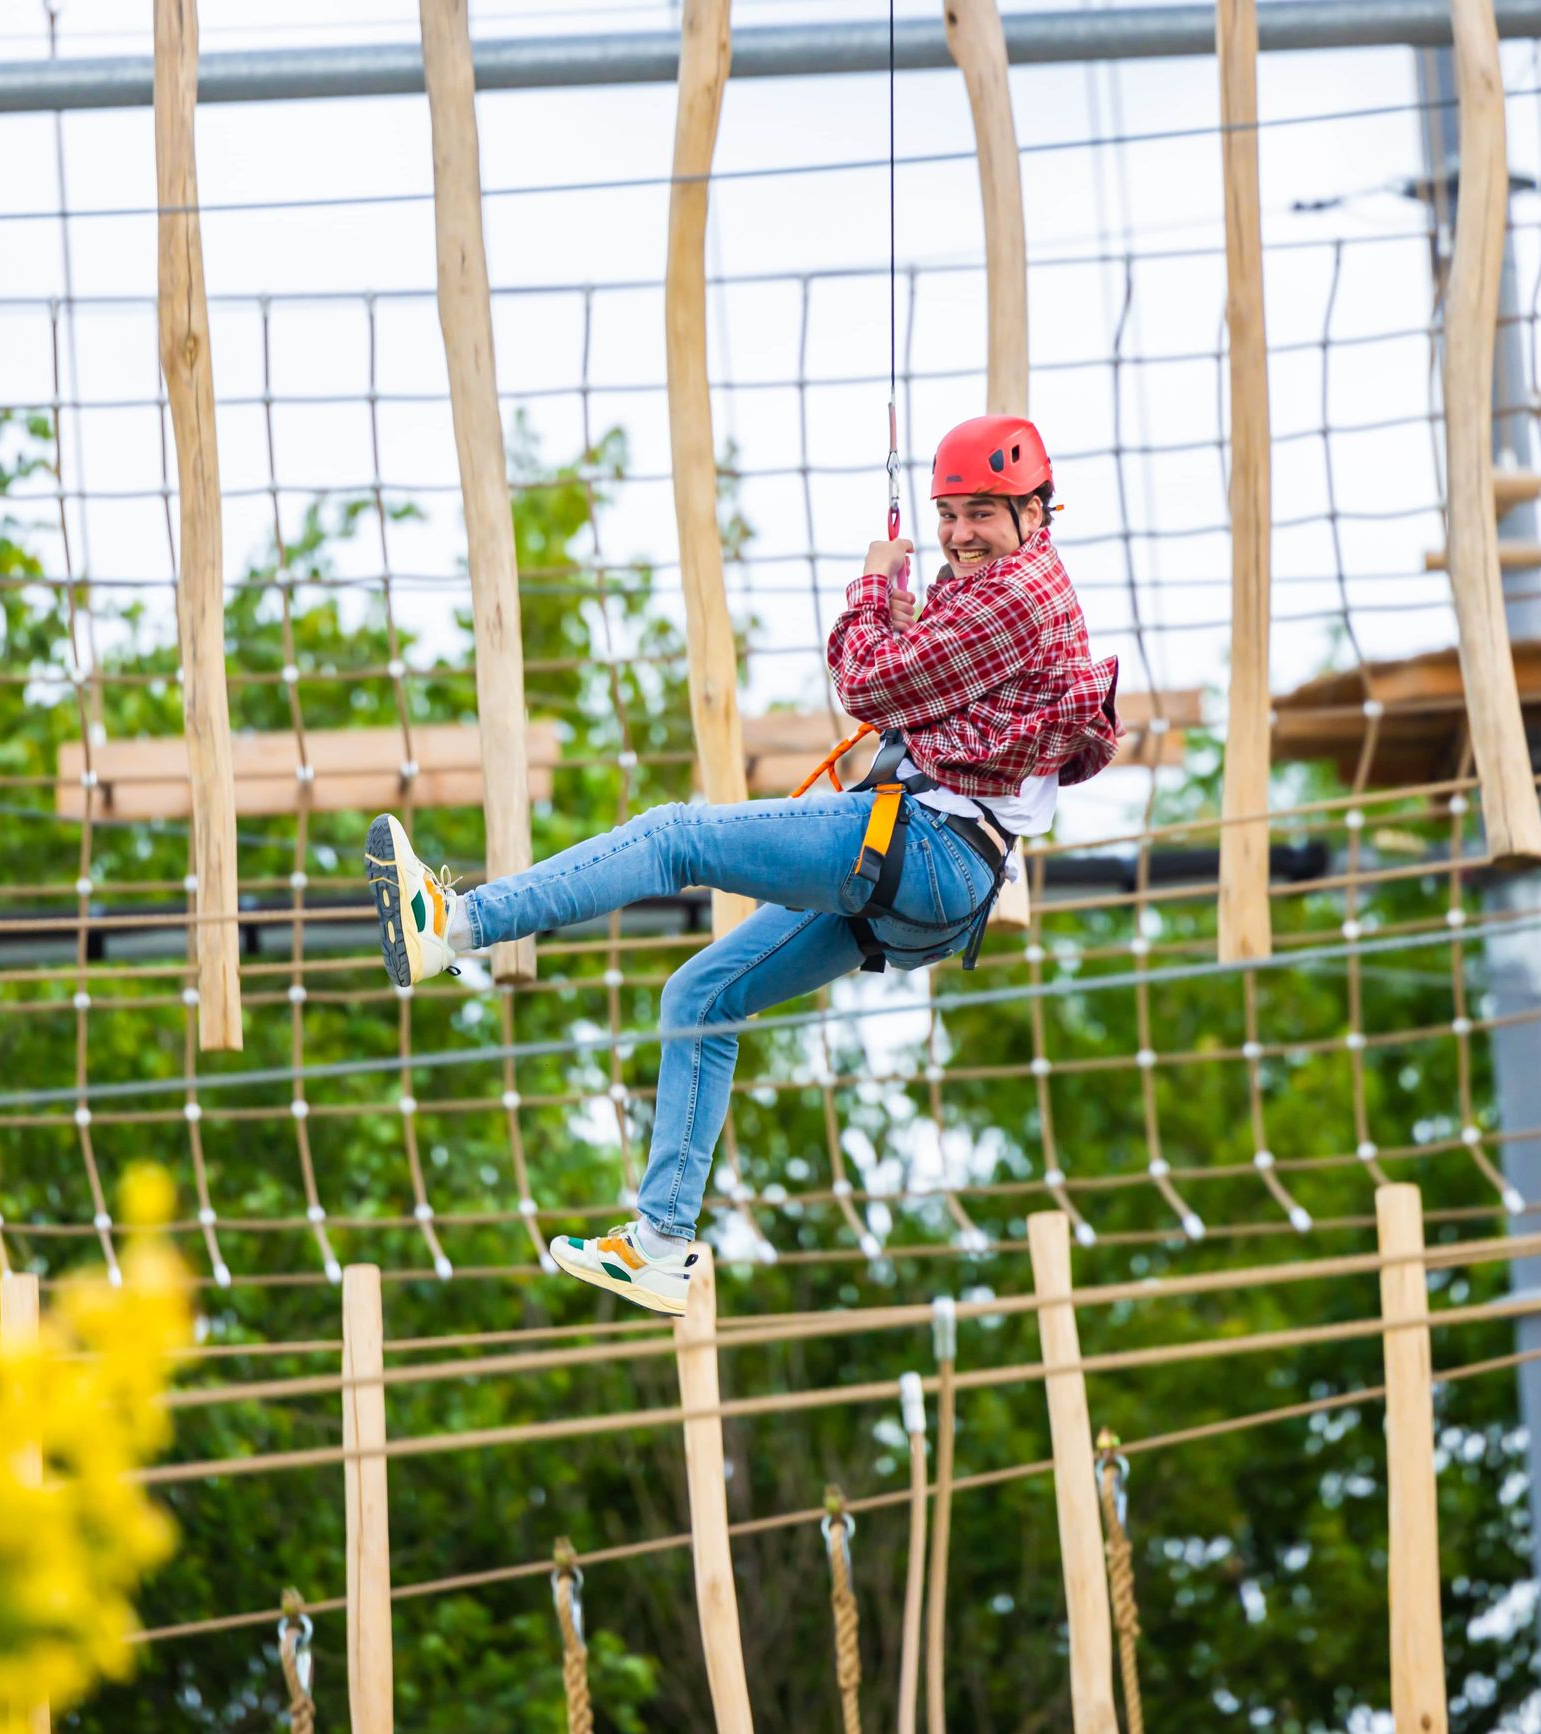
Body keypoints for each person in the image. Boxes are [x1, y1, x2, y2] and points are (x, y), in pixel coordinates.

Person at [365, 415, 1119, 1314]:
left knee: (672, 835)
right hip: (943, 879)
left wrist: (876, 587)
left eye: (982, 513)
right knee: (700, 997)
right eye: (949, 512)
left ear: (1037, 511)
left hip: (929, 851)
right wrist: (911, 617)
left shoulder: (1013, 598)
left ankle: (453, 925)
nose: (959, 534)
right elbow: (920, 683)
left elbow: (867, 682)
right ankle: (660, 1245)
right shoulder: (1005, 586)